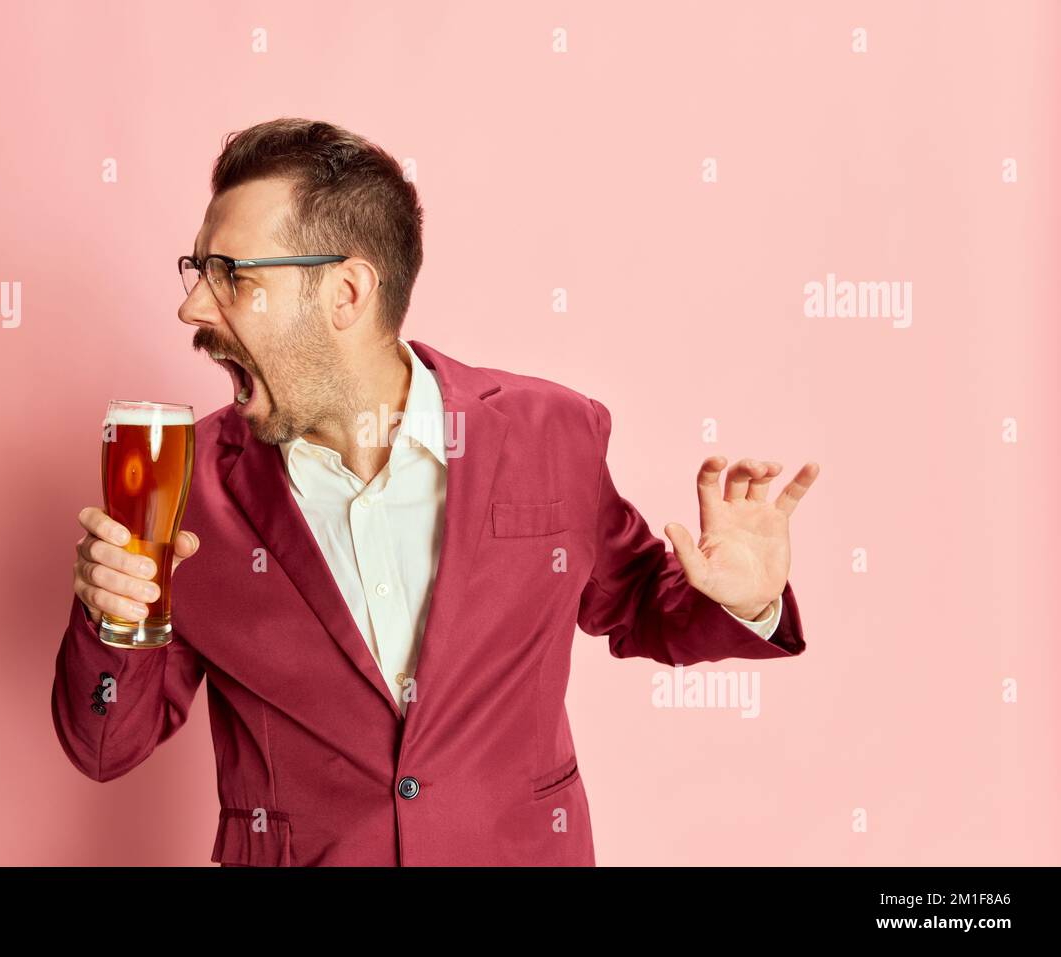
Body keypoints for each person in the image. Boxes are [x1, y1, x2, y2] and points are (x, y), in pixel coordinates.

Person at [52, 117, 820, 866]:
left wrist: (742, 599)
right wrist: (115, 620)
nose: (193, 306)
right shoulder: (188, 493)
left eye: (232, 276)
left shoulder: (551, 433)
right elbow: (105, 744)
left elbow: (640, 604)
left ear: (346, 293)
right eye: (197, 273)